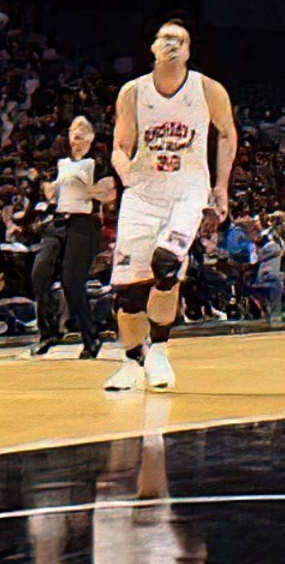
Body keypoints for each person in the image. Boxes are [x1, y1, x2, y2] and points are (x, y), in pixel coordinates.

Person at [104, 20, 237, 394]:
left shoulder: (207, 89)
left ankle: (160, 350)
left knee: (166, 266)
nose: (173, 44)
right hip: (143, 194)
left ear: (189, 51)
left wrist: (221, 187)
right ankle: (132, 361)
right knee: (128, 294)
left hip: (187, 192)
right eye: (166, 38)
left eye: (180, 40)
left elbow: (227, 134)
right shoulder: (134, 92)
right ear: (153, 47)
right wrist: (123, 169)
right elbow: (120, 145)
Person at [33, 115, 113, 358]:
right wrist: (49, 190)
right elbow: (49, 190)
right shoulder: (60, 163)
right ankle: (48, 332)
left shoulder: (98, 163)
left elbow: (109, 193)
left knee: (72, 281)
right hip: (59, 221)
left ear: (90, 138)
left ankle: (91, 337)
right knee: (40, 273)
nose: (76, 142)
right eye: (73, 136)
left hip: (84, 223)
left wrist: (87, 188)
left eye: (80, 137)